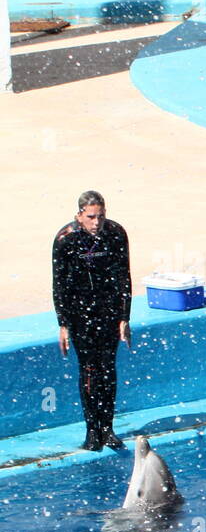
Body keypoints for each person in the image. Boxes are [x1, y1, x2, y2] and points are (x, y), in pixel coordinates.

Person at [52, 191, 132, 451]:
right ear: (79, 216)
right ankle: (92, 431)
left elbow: (124, 277)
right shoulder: (66, 239)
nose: (96, 222)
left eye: (101, 216)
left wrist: (124, 318)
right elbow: (59, 284)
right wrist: (63, 323)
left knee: (108, 369)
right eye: (91, 217)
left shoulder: (116, 233)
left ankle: (108, 428)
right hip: (80, 315)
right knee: (88, 370)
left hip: (108, 312)